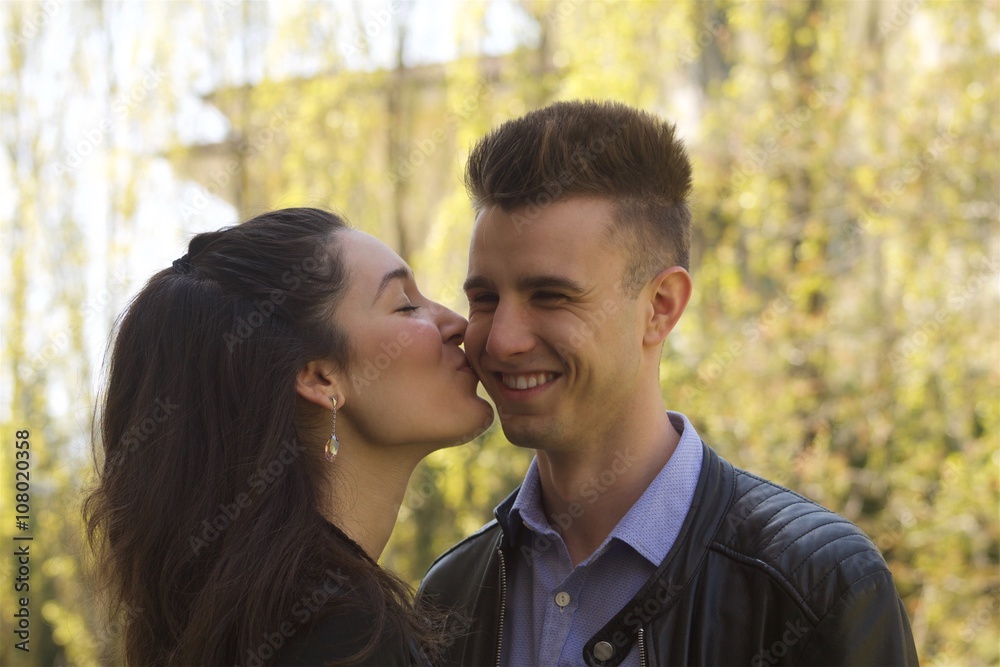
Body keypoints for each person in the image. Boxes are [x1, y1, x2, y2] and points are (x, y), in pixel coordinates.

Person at [417, 101, 918, 666]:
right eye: (485, 298)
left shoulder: (817, 589)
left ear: (660, 306)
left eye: (551, 296)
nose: (502, 340)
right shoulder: (452, 595)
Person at [83, 207, 494, 666]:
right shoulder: (341, 637)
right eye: (405, 305)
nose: (458, 324)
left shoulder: (250, 616)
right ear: (320, 377)